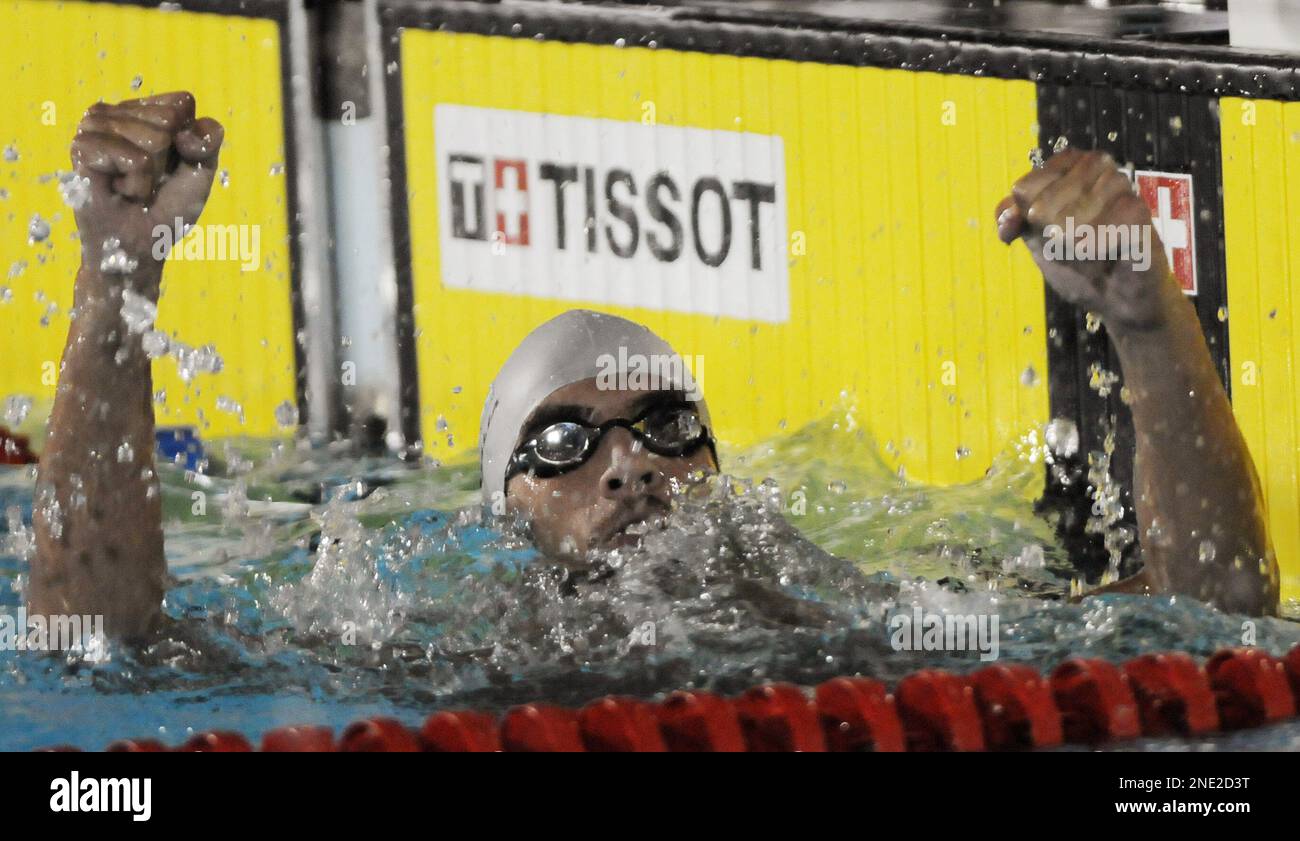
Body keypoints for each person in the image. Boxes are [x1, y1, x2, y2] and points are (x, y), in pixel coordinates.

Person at [28, 93, 1279, 643]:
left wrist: (1144, 319)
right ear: (498, 507)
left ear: (720, 467)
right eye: (559, 445)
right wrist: (117, 280)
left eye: (667, 425)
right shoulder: (429, 643)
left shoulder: (862, 619)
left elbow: (1209, 622)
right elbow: (92, 646)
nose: (627, 466)